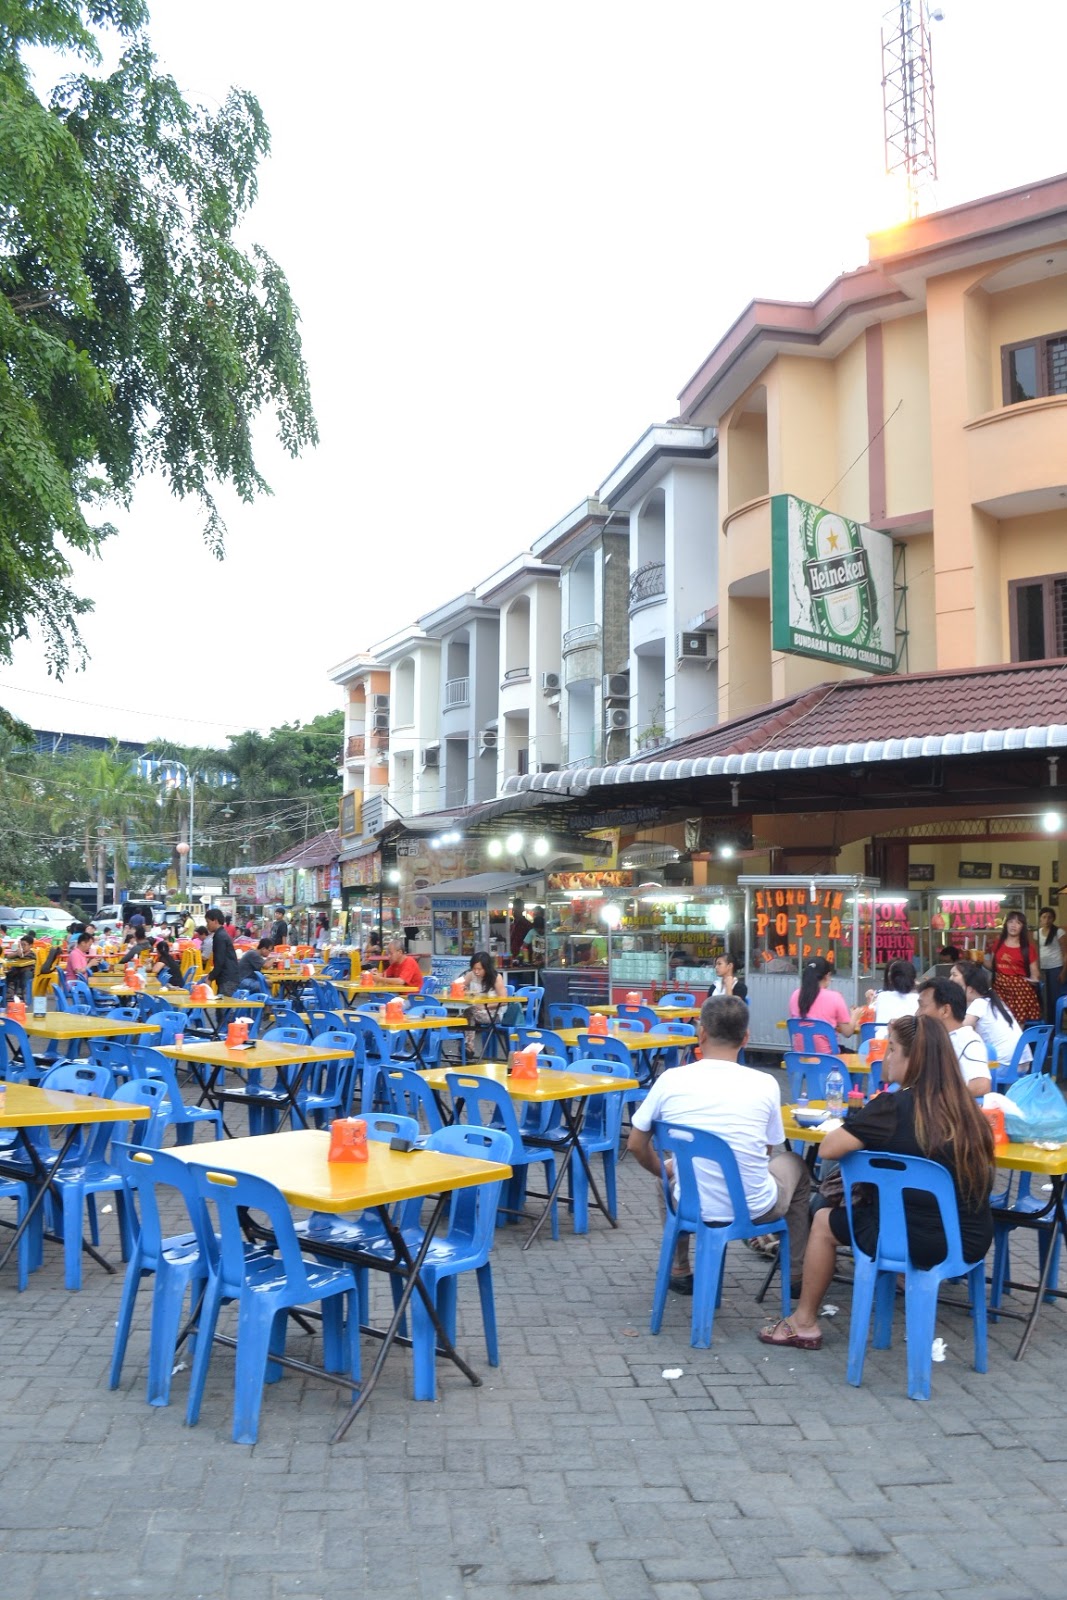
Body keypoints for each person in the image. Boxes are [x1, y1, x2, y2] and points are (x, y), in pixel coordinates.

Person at [758, 1013, 994, 1351]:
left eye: (892, 1048)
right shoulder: (969, 1110)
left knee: (824, 1220)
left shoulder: (891, 1107)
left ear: (914, 1058)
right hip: (967, 1240)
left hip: (906, 1239)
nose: (886, 1055)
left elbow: (828, 1148)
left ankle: (804, 1321)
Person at [628, 995, 811, 1297]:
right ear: (746, 1038)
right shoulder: (765, 1083)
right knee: (795, 1165)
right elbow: (765, 1152)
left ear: (701, 1033)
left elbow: (637, 1144)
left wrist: (665, 1168)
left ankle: (679, 1268)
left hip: (691, 1204)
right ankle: (794, 1274)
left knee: (668, 1178)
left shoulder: (670, 1080)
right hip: (753, 1207)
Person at [916, 977, 992, 1098]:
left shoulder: (967, 1040)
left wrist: (936, 1097)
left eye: (922, 1006)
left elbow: (981, 1085)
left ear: (945, 1011)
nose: (917, 1013)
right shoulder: (930, 1037)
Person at [951, 960, 1027, 1073]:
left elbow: (959, 1029)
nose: (950, 979)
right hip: (1022, 1063)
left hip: (1003, 1065)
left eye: (954, 975)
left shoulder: (978, 1004)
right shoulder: (995, 1002)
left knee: (964, 1068)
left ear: (970, 989)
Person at [788, 957, 861, 1053]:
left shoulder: (795, 995)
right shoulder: (835, 997)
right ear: (827, 976)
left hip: (800, 1057)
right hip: (829, 1058)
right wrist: (854, 1016)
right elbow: (847, 1032)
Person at [989, 910, 1040, 1025]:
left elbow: (1035, 975)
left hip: (1019, 992)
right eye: (1010, 921)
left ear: (1022, 927)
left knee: (1017, 1023)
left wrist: (1028, 982)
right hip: (999, 988)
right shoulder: (998, 944)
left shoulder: (1028, 948)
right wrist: (978, 960)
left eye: (1018, 923)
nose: (1013, 925)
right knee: (999, 1020)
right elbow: (992, 966)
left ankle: (1017, 1043)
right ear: (1006, 924)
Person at [461, 951, 509, 1054]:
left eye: (479, 969)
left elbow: (504, 1001)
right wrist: (462, 989)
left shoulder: (496, 978)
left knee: (469, 1013)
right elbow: (458, 985)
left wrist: (485, 1006)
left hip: (494, 1013)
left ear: (486, 968)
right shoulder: (471, 975)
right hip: (476, 1011)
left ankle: (469, 1046)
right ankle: (463, 1049)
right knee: (460, 1019)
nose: (476, 972)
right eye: (474, 969)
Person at [1036, 906, 1067, 1025]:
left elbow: (1065, 953)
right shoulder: (1036, 933)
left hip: (1056, 969)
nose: (1047, 919)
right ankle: (1048, 1026)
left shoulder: (1059, 932)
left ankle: (1056, 1027)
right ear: (1040, 919)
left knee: (1055, 999)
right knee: (1044, 1000)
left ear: (1053, 919)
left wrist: (1064, 972)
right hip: (1043, 970)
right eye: (1044, 917)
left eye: (1050, 917)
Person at [870, 959, 919, 1032]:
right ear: (914, 980)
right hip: (912, 1042)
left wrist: (870, 1001)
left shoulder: (881, 996)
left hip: (881, 1042)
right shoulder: (920, 999)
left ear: (890, 979)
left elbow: (870, 1023)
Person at [203, 907, 239, 996]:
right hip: (229, 976)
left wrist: (210, 977)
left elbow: (220, 961)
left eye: (208, 922)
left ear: (215, 921)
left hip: (227, 978)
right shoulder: (221, 934)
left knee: (223, 1008)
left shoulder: (219, 937)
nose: (207, 925)